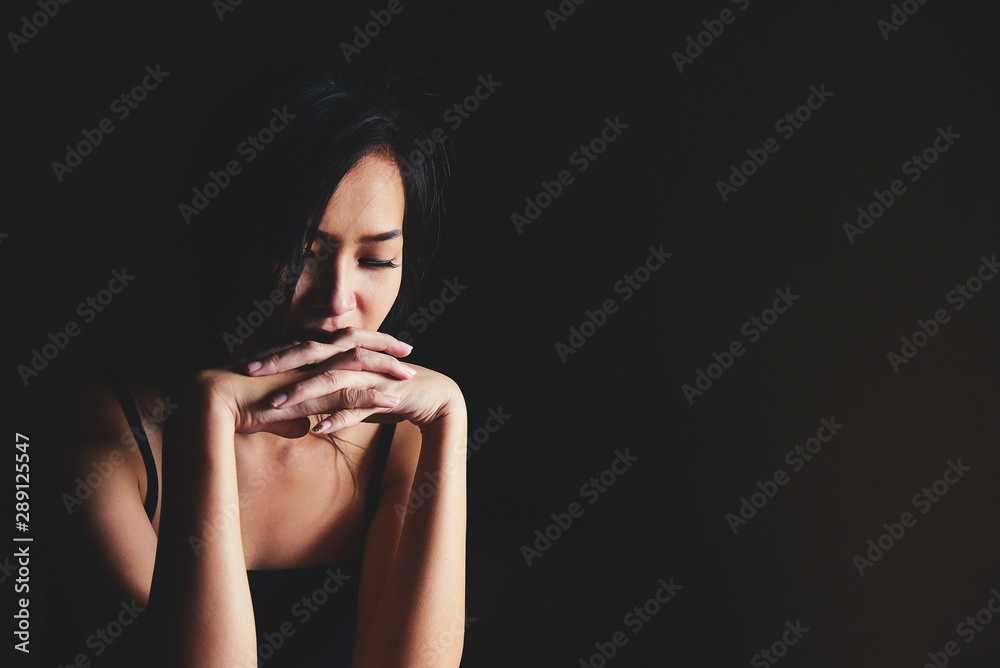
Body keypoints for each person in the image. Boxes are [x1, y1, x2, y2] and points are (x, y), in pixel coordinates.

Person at [35, 69, 467, 667]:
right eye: (303, 254)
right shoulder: (97, 426)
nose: (338, 302)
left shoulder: (401, 439)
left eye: (376, 258)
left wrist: (451, 418)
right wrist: (207, 417)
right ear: (228, 240)